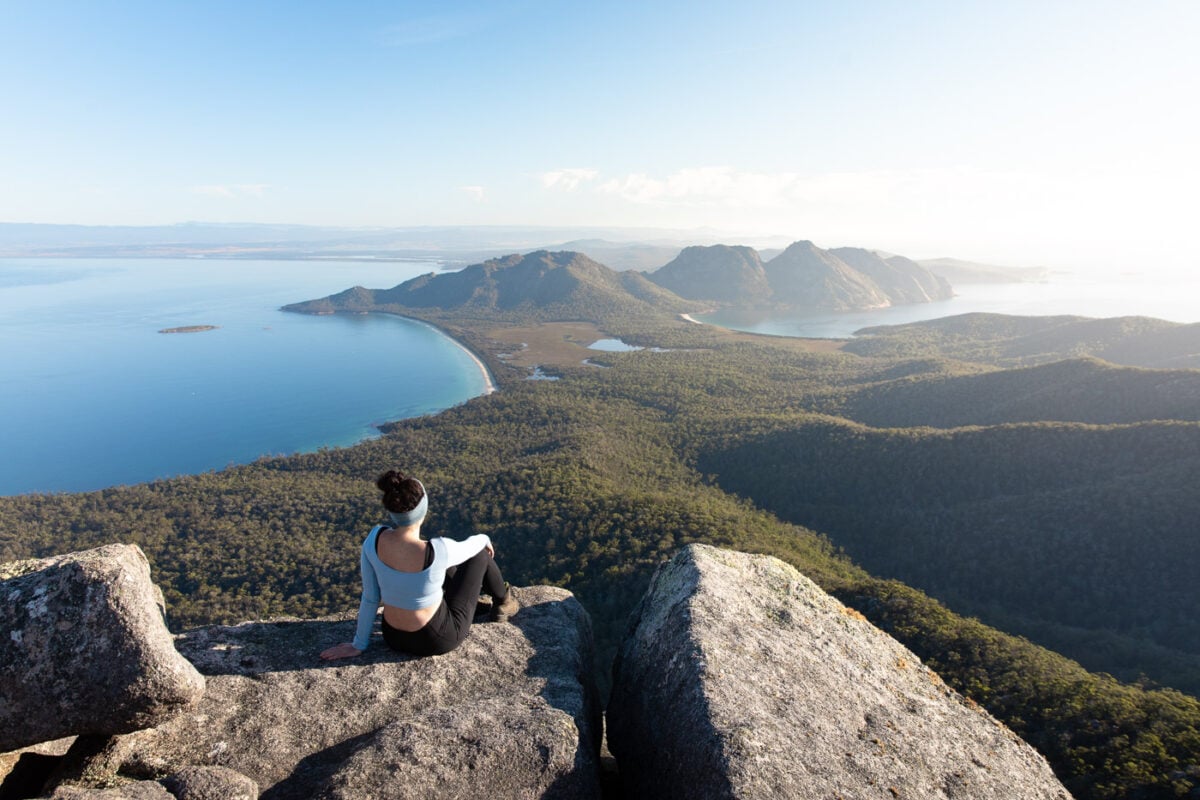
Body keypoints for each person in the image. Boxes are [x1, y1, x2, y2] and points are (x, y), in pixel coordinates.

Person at [320, 470, 518, 660]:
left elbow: (370, 597)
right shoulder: (438, 550)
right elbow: (474, 547)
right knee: (479, 556)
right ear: (423, 509)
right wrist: (484, 538)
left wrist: (358, 644)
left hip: (393, 637)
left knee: (443, 568)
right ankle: (503, 602)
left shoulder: (374, 539)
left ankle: (477, 607)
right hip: (435, 640)